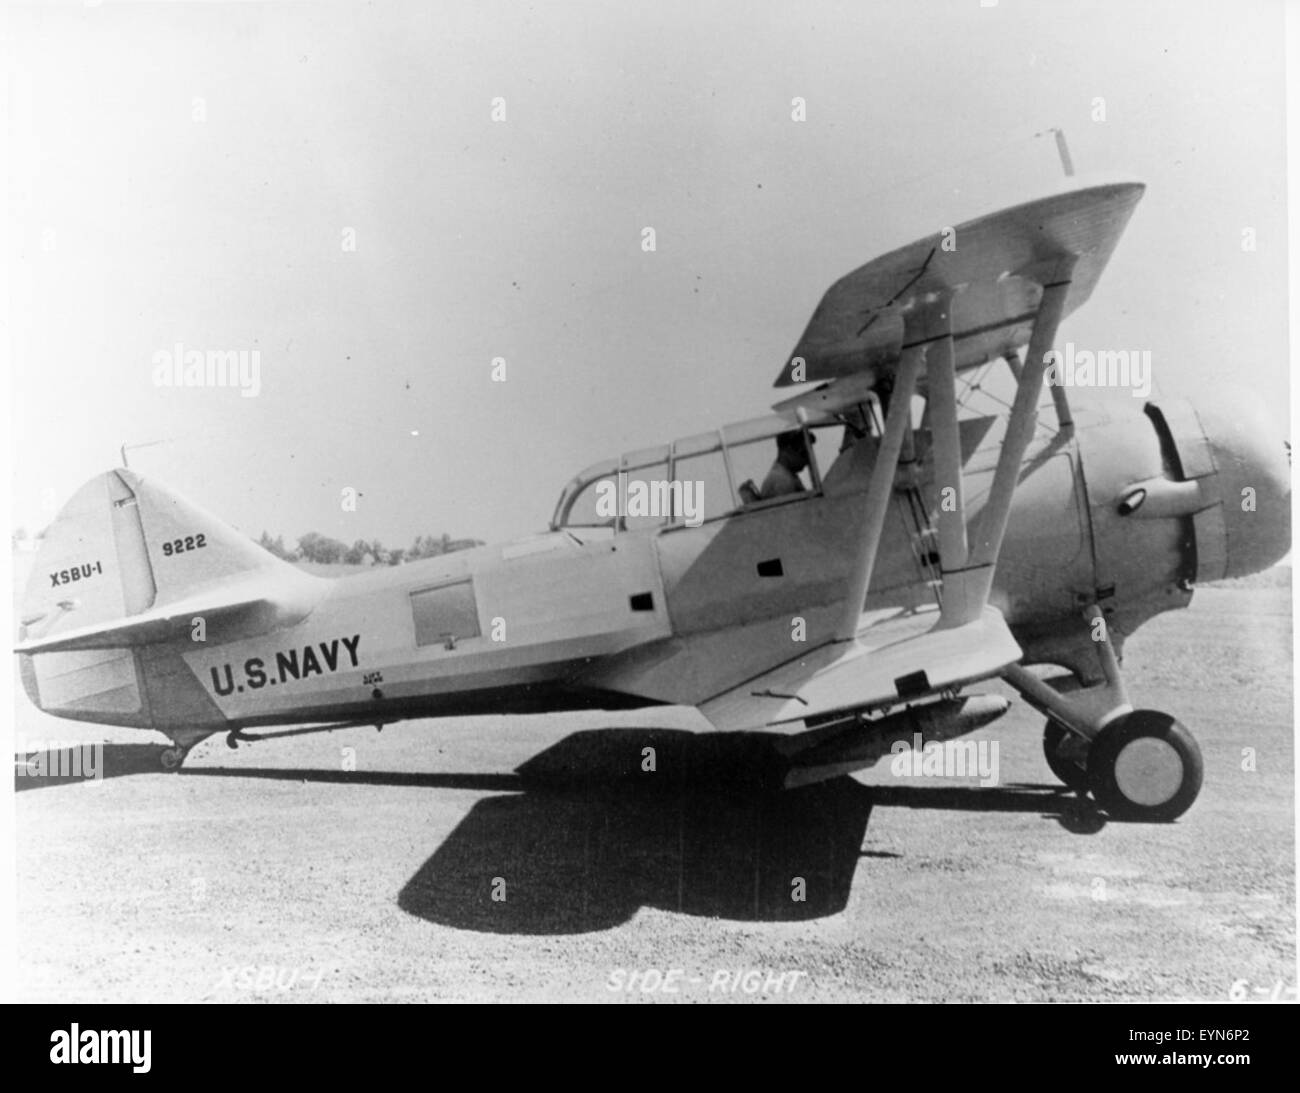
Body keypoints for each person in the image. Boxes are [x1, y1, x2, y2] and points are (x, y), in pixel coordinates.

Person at [759, 429, 814, 499]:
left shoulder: (786, 475)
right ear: (787, 450)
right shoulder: (782, 482)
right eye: (803, 453)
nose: (807, 461)